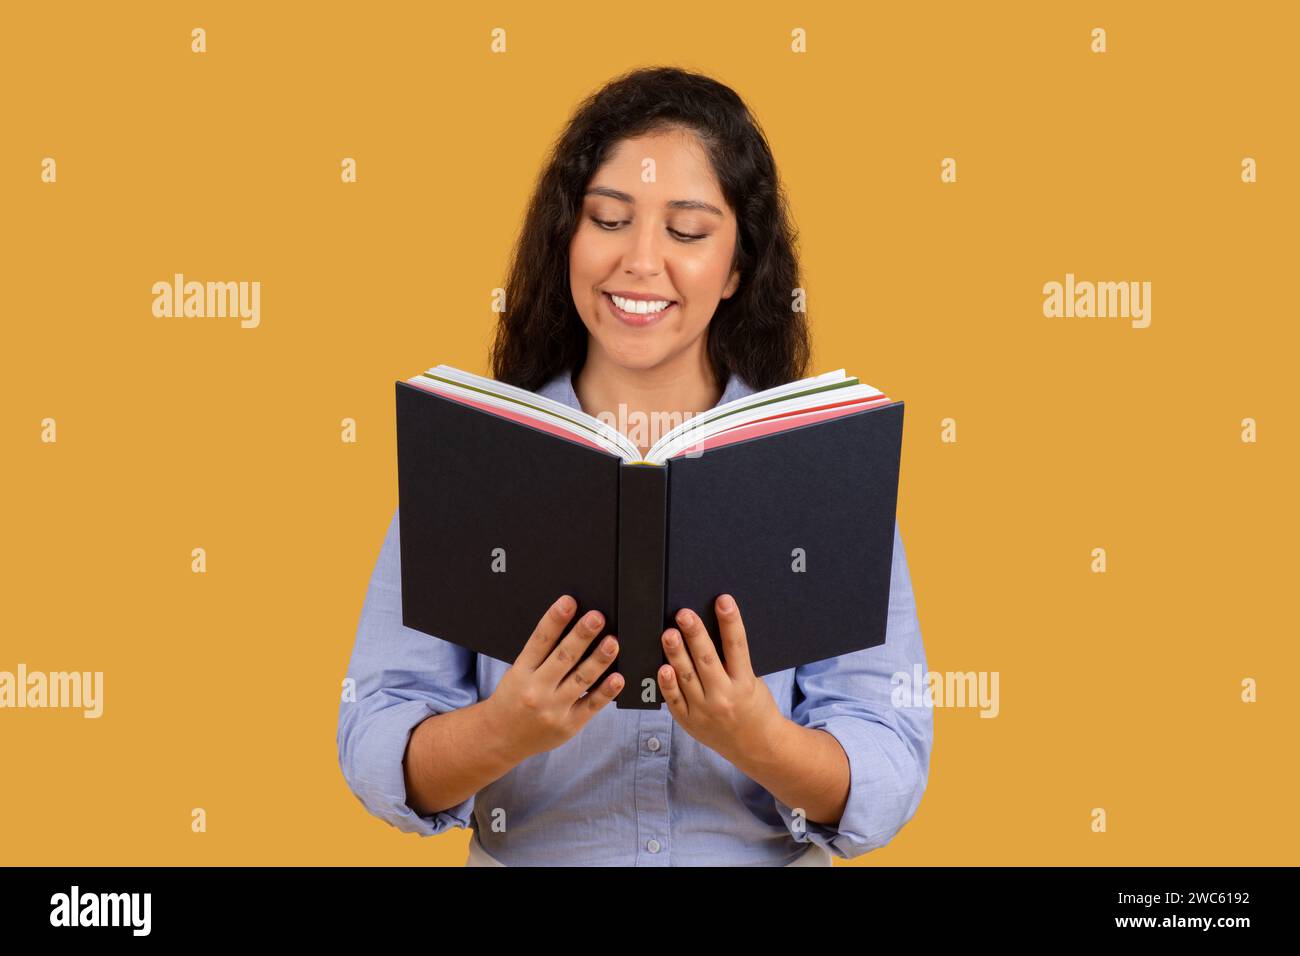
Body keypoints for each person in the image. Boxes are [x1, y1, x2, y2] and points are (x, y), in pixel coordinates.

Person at [337, 66, 933, 866]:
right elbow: (377, 733)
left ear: (735, 270)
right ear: (567, 239)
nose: (640, 262)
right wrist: (503, 730)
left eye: (687, 233)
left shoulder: (819, 469)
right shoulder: (474, 457)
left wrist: (756, 737)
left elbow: (888, 758)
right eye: (610, 219)